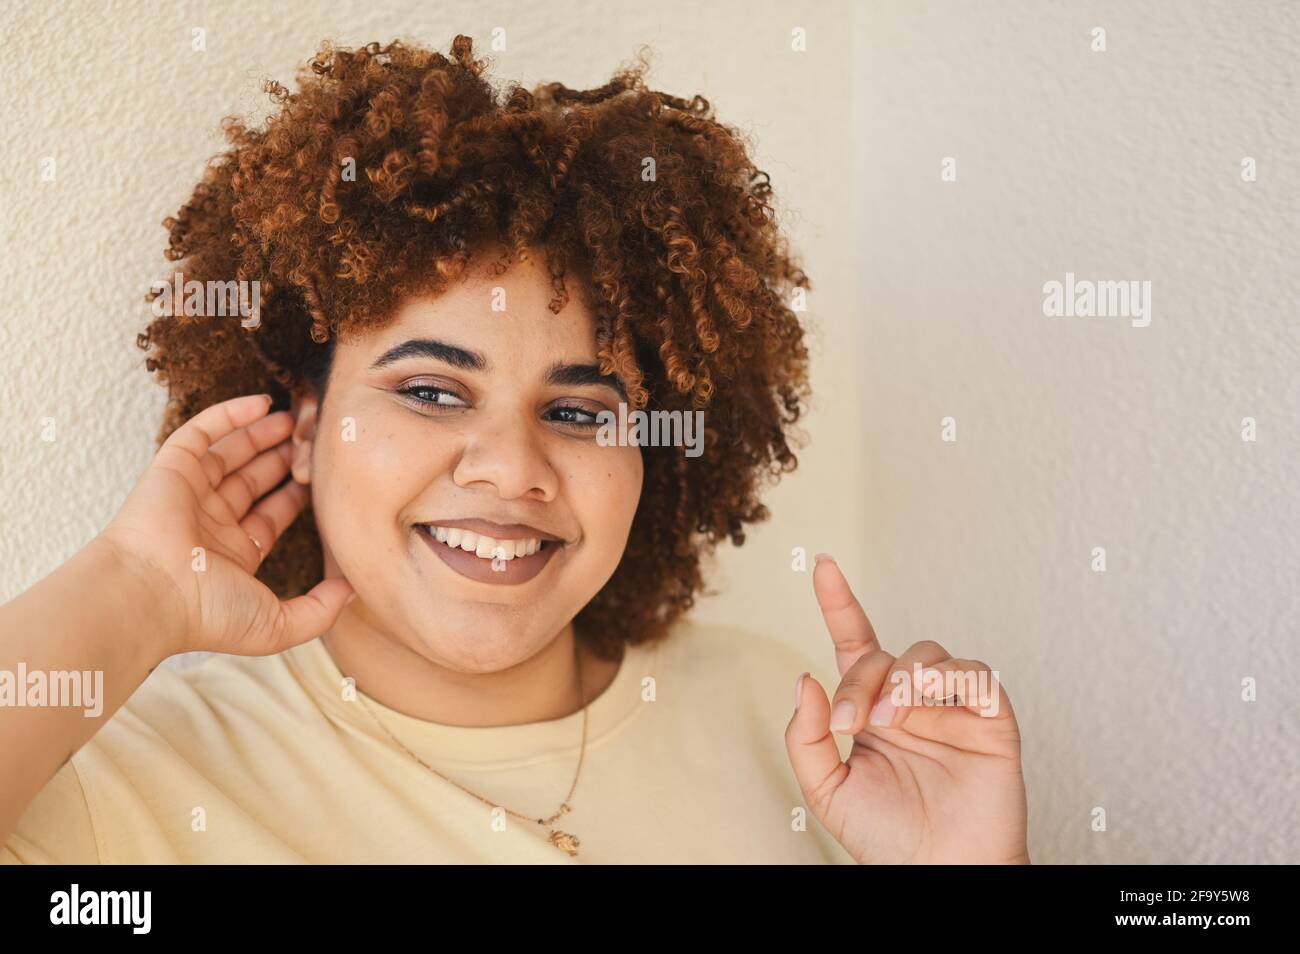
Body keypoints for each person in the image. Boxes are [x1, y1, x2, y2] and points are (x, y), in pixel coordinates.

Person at [0, 36, 1028, 864]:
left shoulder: (790, 719)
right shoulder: (124, 781)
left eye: (578, 412)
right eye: (432, 391)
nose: (510, 468)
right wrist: (132, 585)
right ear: (303, 426)